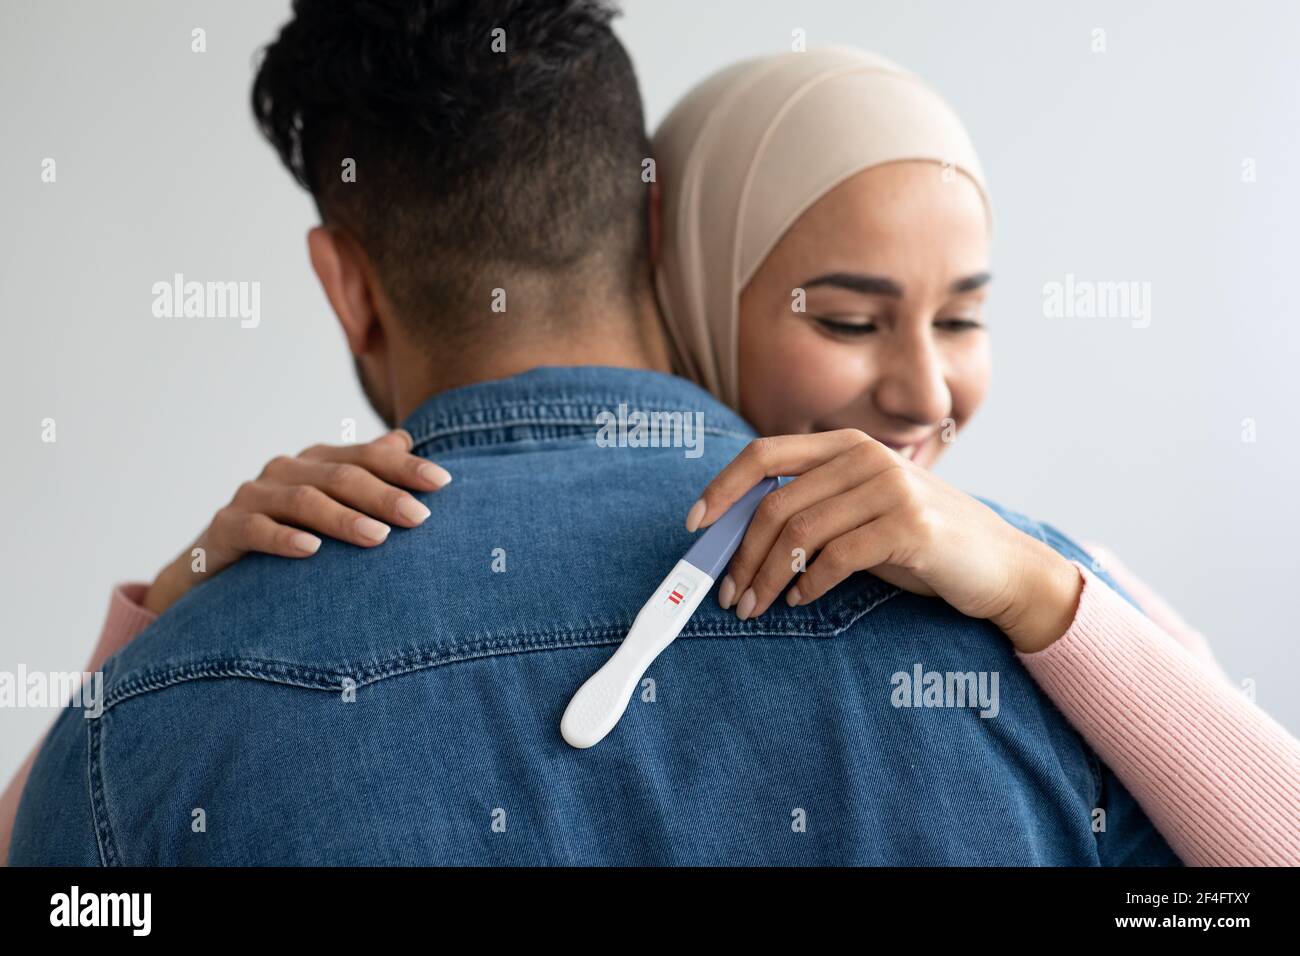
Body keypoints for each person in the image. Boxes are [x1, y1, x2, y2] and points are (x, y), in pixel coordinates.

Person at [6, 0, 1181, 865]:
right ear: (655, 218)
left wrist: (169, 619)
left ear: (347, 285)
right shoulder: (1039, 632)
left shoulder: (156, 720)